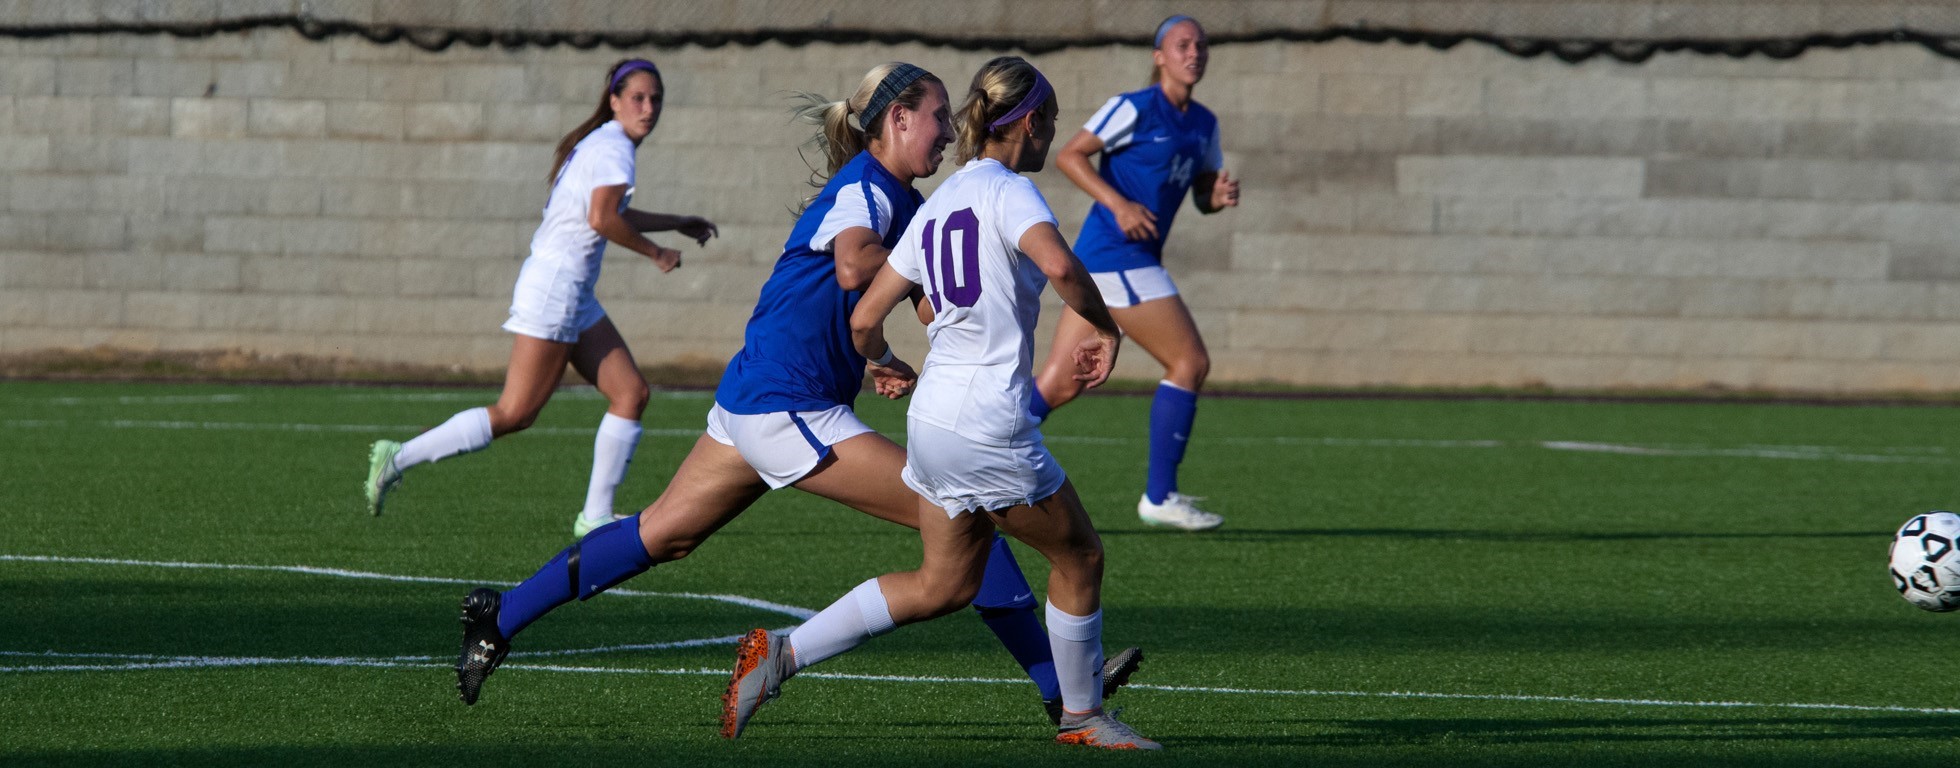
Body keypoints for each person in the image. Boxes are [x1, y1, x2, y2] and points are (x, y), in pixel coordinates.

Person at [449, 62, 1140, 726]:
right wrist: (914, 302)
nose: (944, 129)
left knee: (662, 535)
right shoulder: (870, 187)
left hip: (757, 394)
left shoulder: (904, 199)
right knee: (962, 510)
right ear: (897, 119)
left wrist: (888, 350)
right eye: (934, 116)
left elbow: (880, 294)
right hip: (789, 403)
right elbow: (853, 262)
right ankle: (1061, 689)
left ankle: (499, 618)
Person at [719, 56, 1161, 751]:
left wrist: (880, 360)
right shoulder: (1007, 191)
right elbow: (1060, 266)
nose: (1050, 134)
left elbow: (864, 316)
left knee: (944, 584)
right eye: (1047, 120)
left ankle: (783, 653)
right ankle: (1080, 716)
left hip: (931, 427)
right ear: (1027, 123)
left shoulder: (941, 202)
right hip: (988, 425)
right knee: (1080, 558)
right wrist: (1104, 326)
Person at [363, 58, 719, 538]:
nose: (648, 107)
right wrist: (656, 252)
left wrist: (676, 220)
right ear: (614, 101)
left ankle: (594, 516)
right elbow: (602, 218)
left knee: (631, 393)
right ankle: (397, 457)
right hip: (557, 291)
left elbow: (611, 212)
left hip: (572, 293)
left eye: (656, 98)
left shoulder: (604, 143)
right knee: (515, 412)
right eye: (638, 97)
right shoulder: (614, 146)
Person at [1030, 14, 1241, 531]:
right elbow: (1071, 155)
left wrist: (1214, 198)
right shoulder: (1134, 107)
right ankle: (1159, 496)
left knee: (1060, 383)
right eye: (1183, 44)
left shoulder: (1204, 124)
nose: (1195, 52)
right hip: (1118, 256)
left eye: (1201, 44)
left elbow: (1199, 195)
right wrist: (1119, 204)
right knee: (1189, 362)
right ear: (1159, 56)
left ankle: (976, 453)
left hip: (1112, 264)